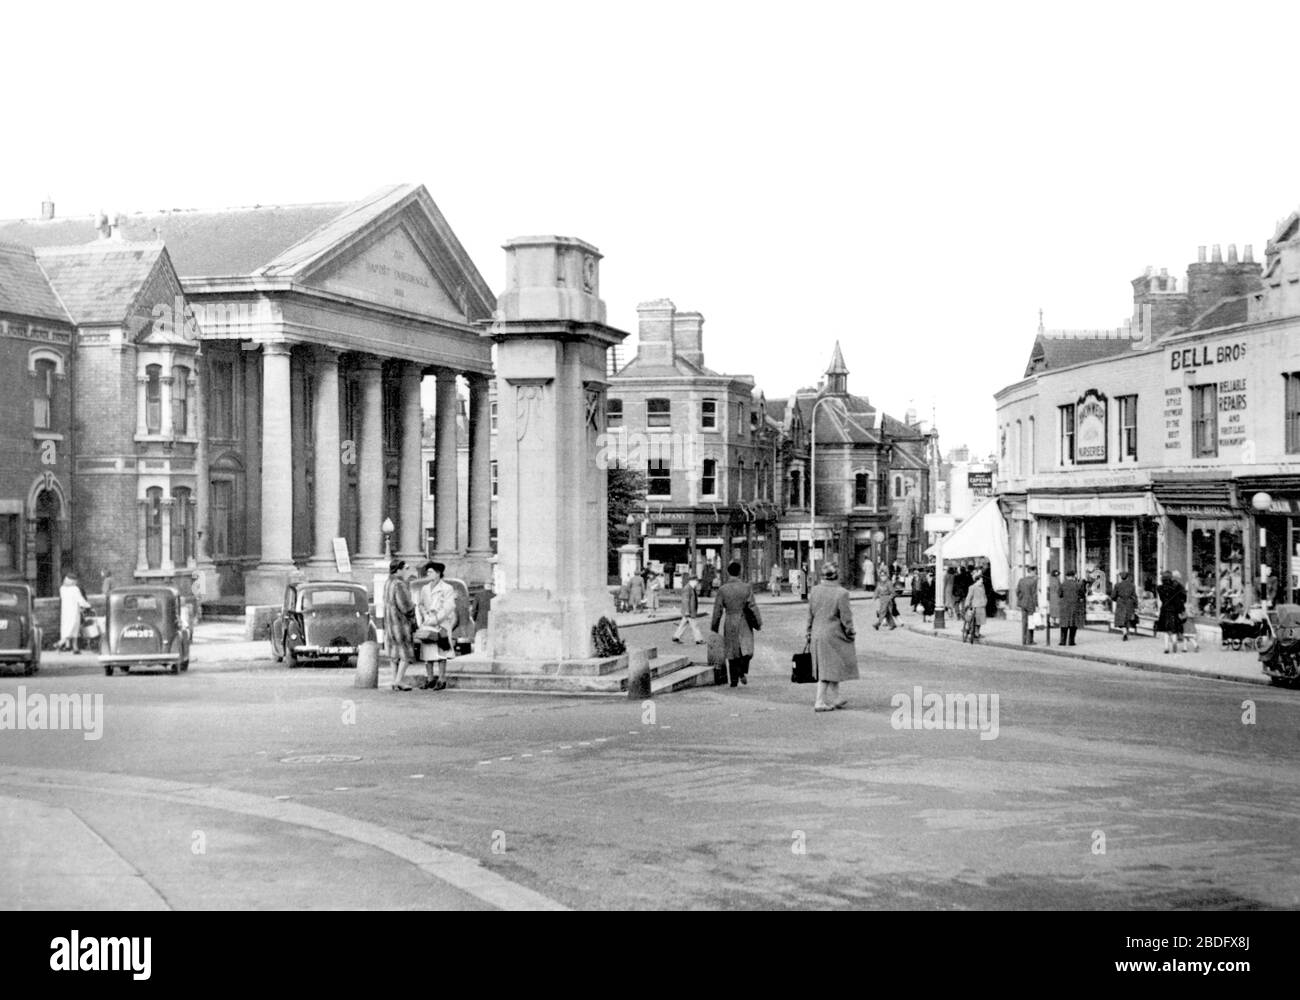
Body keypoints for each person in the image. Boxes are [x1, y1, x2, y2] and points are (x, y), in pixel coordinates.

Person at [807, 563, 859, 712]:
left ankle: (836, 698)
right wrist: (850, 632)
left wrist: (808, 631)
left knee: (831, 665)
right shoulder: (841, 593)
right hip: (833, 635)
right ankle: (819, 702)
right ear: (837, 576)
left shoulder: (815, 591)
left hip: (817, 633)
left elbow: (810, 614)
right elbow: (846, 617)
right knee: (827, 668)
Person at [710, 561, 761, 687]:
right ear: (740, 572)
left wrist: (714, 627)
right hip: (744, 620)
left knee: (732, 651)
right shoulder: (746, 587)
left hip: (730, 620)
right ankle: (742, 671)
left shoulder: (722, 589)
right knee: (746, 650)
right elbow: (752, 607)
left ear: (728, 572)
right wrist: (758, 623)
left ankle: (734, 680)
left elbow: (717, 610)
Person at [416, 560, 457, 691]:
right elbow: (421, 604)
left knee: (441, 652)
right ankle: (429, 678)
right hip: (428, 622)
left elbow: (449, 607)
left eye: (431, 571)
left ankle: (442, 678)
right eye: (427, 571)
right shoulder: (425, 588)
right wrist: (425, 616)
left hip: (441, 624)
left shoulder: (447, 588)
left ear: (438, 573)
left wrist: (436, 619)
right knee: (427, 652)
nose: (428, 573)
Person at [384, 560, 417, 690]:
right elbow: (405, 606)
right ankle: (399, 680)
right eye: (405, 568)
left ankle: (394, 680)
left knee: (394, 654)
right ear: (398, 570)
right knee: (405, 653)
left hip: (390, 623)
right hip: (400, 623)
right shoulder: (399, 584)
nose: (406, 571)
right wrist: (412, 612)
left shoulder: (388, 583)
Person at [57, 574, 92, 653]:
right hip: (74, 611)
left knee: (68, 628)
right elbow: (80, 600)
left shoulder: (62, 589)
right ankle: (60, 643)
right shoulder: (75, 589)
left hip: (65, 612)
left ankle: (75, 648)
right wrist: (88, 605)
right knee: (73, 628)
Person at [1156, 569, 1188, 654]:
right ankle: (1174, 641)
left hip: (1164, 610)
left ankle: (1166, 647)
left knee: (1166, 629)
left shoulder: (1160, 588)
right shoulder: (1176, 588)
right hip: (1174, 610)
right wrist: (1181, 609)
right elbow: (1182, 599)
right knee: (1174, 628)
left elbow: (1162, 599)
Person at [672, 576, 704, 645]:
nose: (697, 583)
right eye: (696, 581)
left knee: (683, 624)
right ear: (693, 581)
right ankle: (699, 639)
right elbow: (685, 600)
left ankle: (676, 636)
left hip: (689, 611)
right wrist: (687, 611)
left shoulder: (691, 588)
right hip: (689, 611)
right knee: (695, 625)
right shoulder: (688, 588)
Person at [1057, 569, 1085, 646]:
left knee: (1064, 624)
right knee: (1073, 624)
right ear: (1074, 576)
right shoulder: (1077, 584)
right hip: (1074, 606)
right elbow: (1082, 595)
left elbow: (1059, 594)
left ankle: (1062, 641)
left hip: (1064, 606)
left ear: (1066, 576)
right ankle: (1071, 641)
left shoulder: (1062, 584)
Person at [1016, 565, 1039, 645]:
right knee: (1031, 622)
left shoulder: (1021, 580)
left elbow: (1017, 591)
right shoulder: (1034, 581)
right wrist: (1036, 604)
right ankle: (1030, 640)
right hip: (1031, 604)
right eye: (1035, 572)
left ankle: (1024, 640)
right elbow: (1034, 594)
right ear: (1032, 572)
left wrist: (1021, 599)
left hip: (1023, 604)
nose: (1035, 573)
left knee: (1024, 622)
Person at [1113, 570, 1138, 641]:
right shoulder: (1132, 585)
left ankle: (1124, 632)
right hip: (1129, 603)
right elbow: (1134, 596)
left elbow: (1113, 595)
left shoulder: (1117, 585)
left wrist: (1116, 599)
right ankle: (1126, 631)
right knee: (1127, 618)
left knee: (1121, 619)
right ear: (1127, 577)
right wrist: (1136, 605)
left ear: (1121, 577)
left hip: (1121, 603)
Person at [964, 569, 988, 639]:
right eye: (981, 580)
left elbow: (984, 595)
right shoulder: (972, 587)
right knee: (974, 620)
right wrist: (967, 604)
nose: (982, 581)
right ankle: (973, 631)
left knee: (980, 621)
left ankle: (977, 632)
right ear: (977, 580)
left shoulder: (982, 587)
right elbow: (969, 597)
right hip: (975, 606)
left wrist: (985, 601)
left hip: (982, 605)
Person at [1046, 569, 1062, 645]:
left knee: (1052, 609)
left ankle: (1052, 622)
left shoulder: (1050, 580)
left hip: (1051, 597)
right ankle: (1056, 622)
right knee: (1057, 609)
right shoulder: (1056, 580)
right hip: (1056, 596)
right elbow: (1059, 589)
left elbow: (1048, 588)